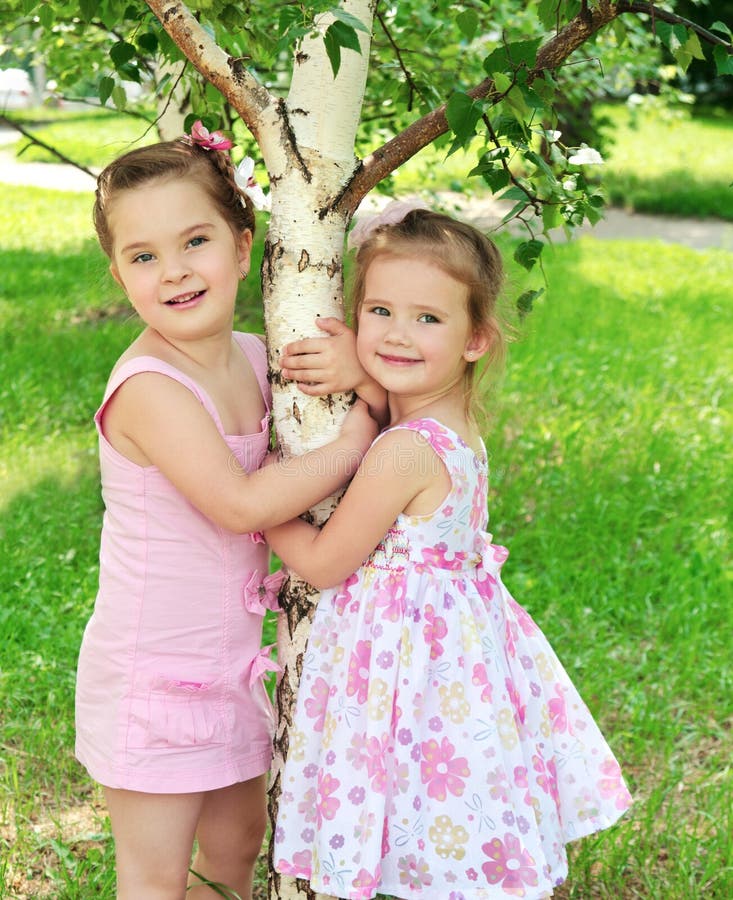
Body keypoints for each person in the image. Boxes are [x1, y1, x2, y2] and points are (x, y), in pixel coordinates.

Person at [267, 204, 633, 899]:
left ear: (475, 340)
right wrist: (369, 380)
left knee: (410, 814)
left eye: (427, 319)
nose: (397, 335)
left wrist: (256, 497)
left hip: (406, 681)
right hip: (447, 672)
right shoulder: (452, 427)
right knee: (442, 827)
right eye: (378, 311)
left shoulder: (403, 451)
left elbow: (319, 563)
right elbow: (398, 379)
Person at [74, 123, 377, 900]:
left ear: (245, 248)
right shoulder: (149, 387)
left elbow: (337, 392)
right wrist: (354, 440)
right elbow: (240, 504)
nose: (173, 271)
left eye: (195, 241)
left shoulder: (253, 355)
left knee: (239, 844)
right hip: (155, 678)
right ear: (118, 273)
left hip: (235, 671)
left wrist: (355, 374)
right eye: (143, 257)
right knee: (155, 876)